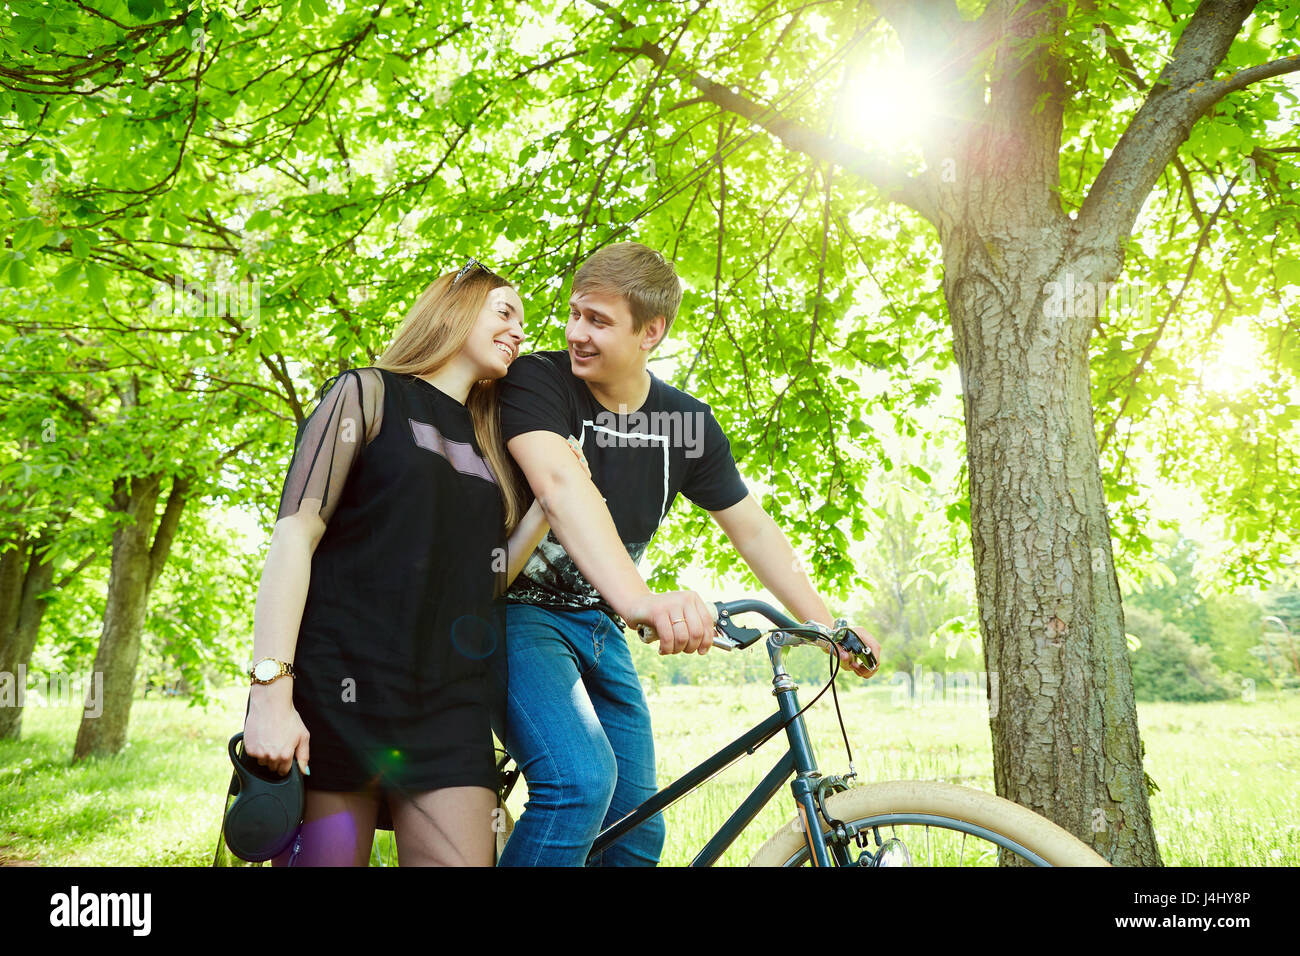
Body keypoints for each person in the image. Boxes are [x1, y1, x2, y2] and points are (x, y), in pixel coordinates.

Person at [495, 241, 883, 867]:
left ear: (652, 331)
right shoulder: (539, 382)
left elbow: (752, 529)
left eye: (597, 321)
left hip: (601, 626)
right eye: (574, 315)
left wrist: (827, 623)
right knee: (578, 786)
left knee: (637, 830)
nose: (575, 334)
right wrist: (645, 601)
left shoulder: (686, 423)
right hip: (517, 614)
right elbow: (560, 487)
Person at [242, 260, 569, 867]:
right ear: (454, 308)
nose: (519, 330)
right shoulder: (365, 393)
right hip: (337, 692)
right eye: (505, 311)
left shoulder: (492, 447)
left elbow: (483, 577)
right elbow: (294, 536)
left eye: (523, 321)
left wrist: (546, 508)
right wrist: (270, 693)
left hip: (448, 702)